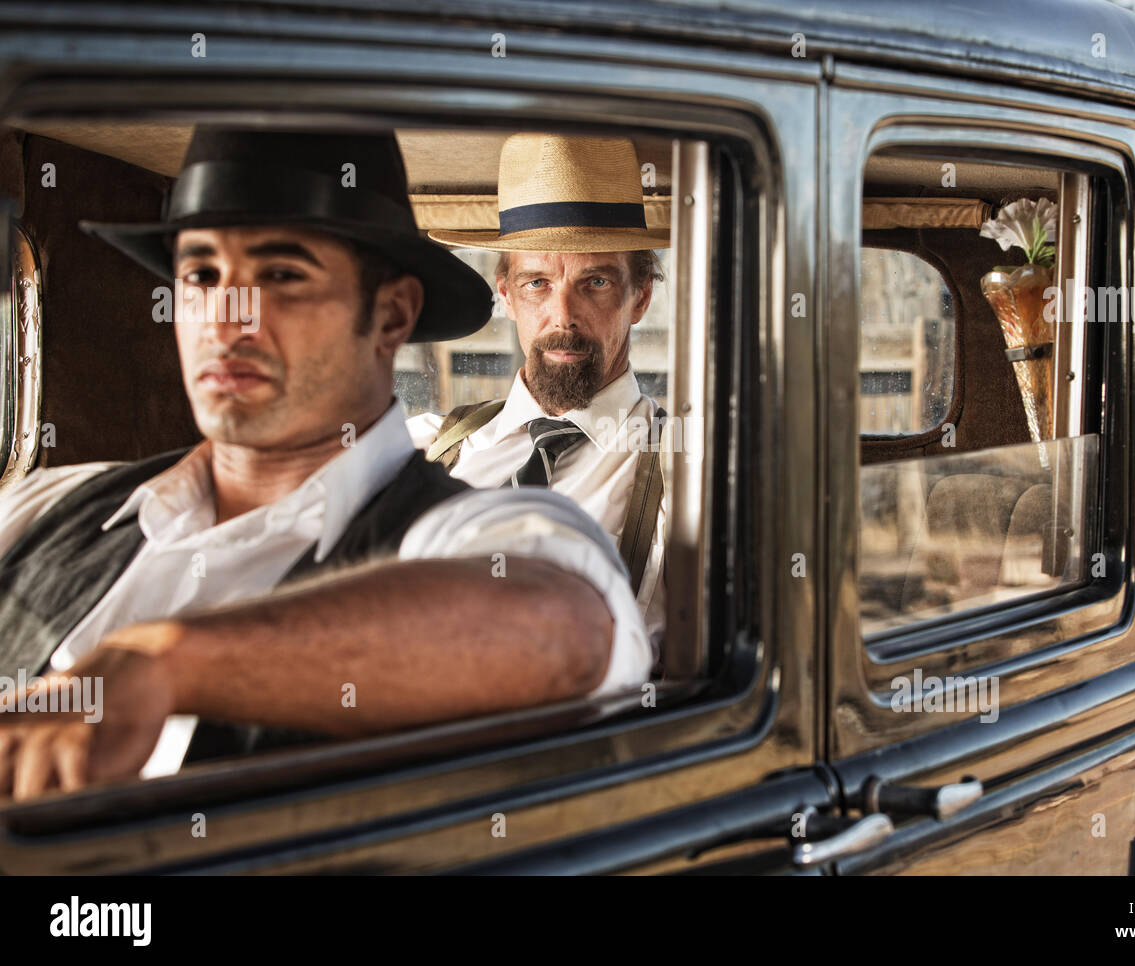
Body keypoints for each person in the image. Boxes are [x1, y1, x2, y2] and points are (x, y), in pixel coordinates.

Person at [0, 126, 651, 802]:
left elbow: (557, 632)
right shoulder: (39, 507)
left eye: (281, 275)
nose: (229, 318)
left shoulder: (475, 534)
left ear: (393, 314)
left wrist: (163, 662)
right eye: (200, 274)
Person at [409, 132, 670, 653]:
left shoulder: (690, 470)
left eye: (595, 283)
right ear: (505, 294)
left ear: (639, 299)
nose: (563, 317)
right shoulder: (424, 448)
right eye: (537, 284)